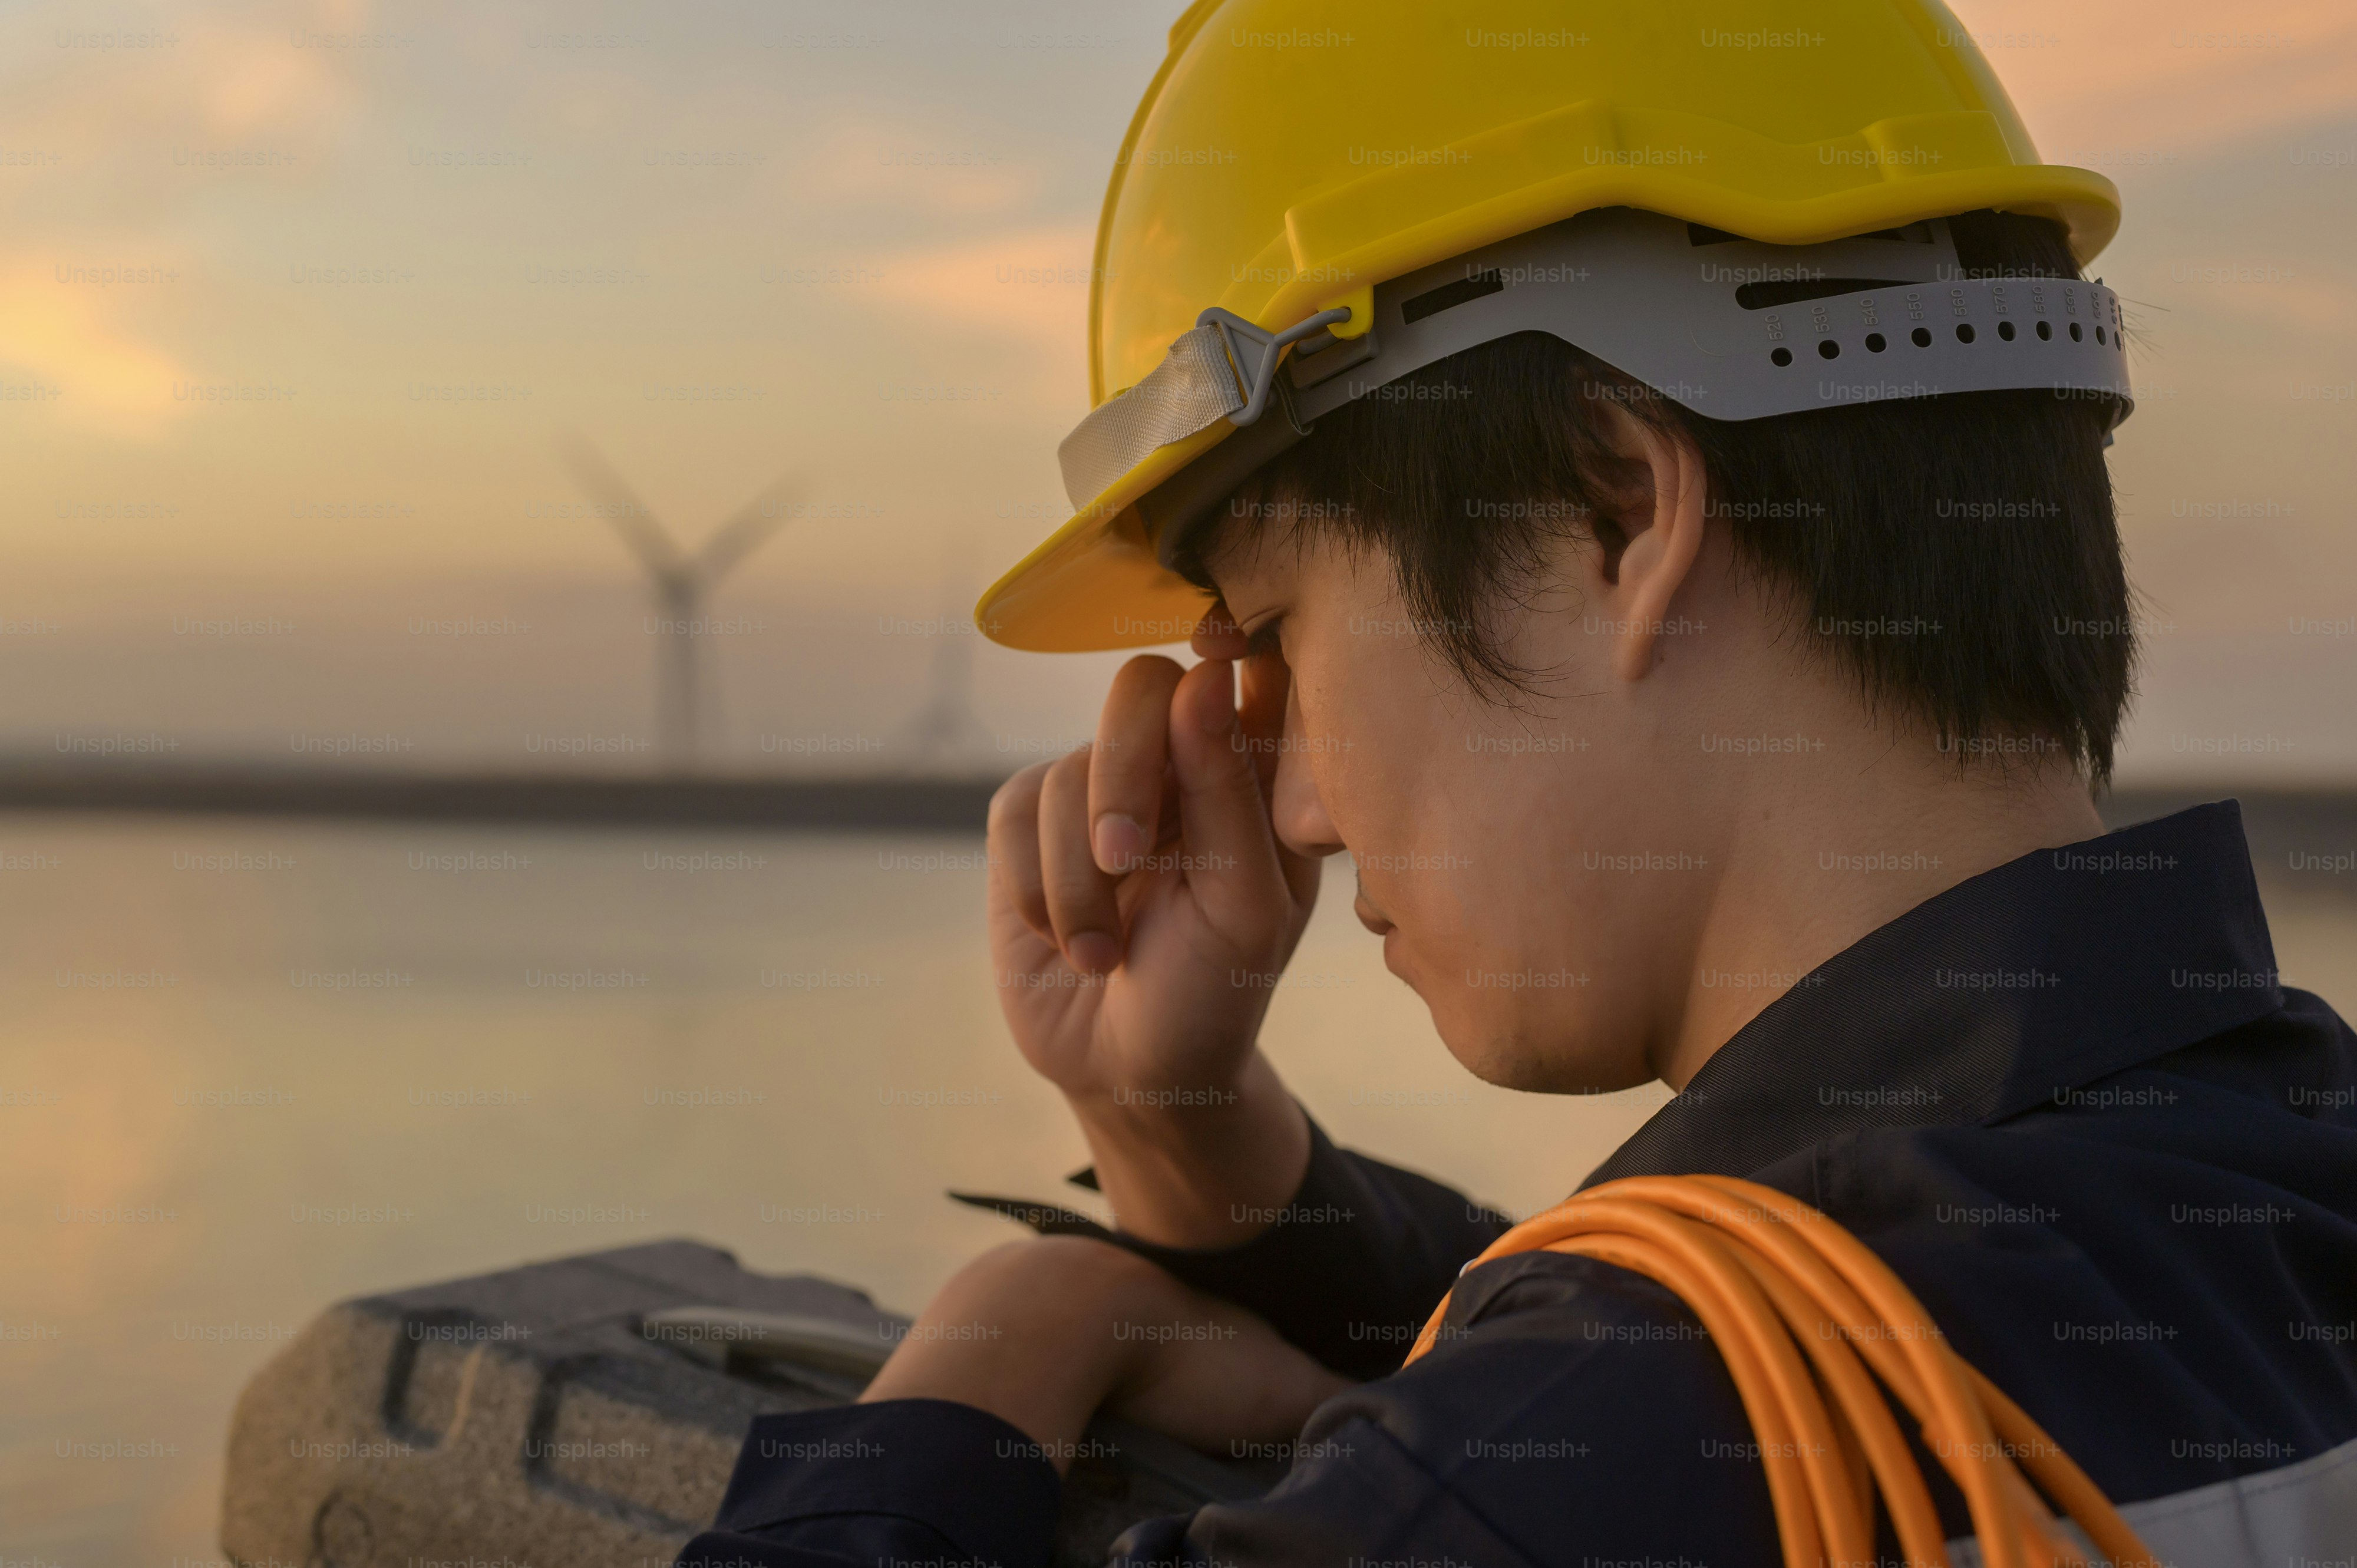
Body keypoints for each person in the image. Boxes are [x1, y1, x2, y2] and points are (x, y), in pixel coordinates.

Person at [681, 4, 2357, 1563]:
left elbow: (1624, 1407)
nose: (1302, 808)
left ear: (1616, 512)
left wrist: (1005, 1338)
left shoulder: (1541, 1482)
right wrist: (1192, 1149)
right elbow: (1744, 1310)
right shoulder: (2273, 1180)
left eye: (1277, 634)